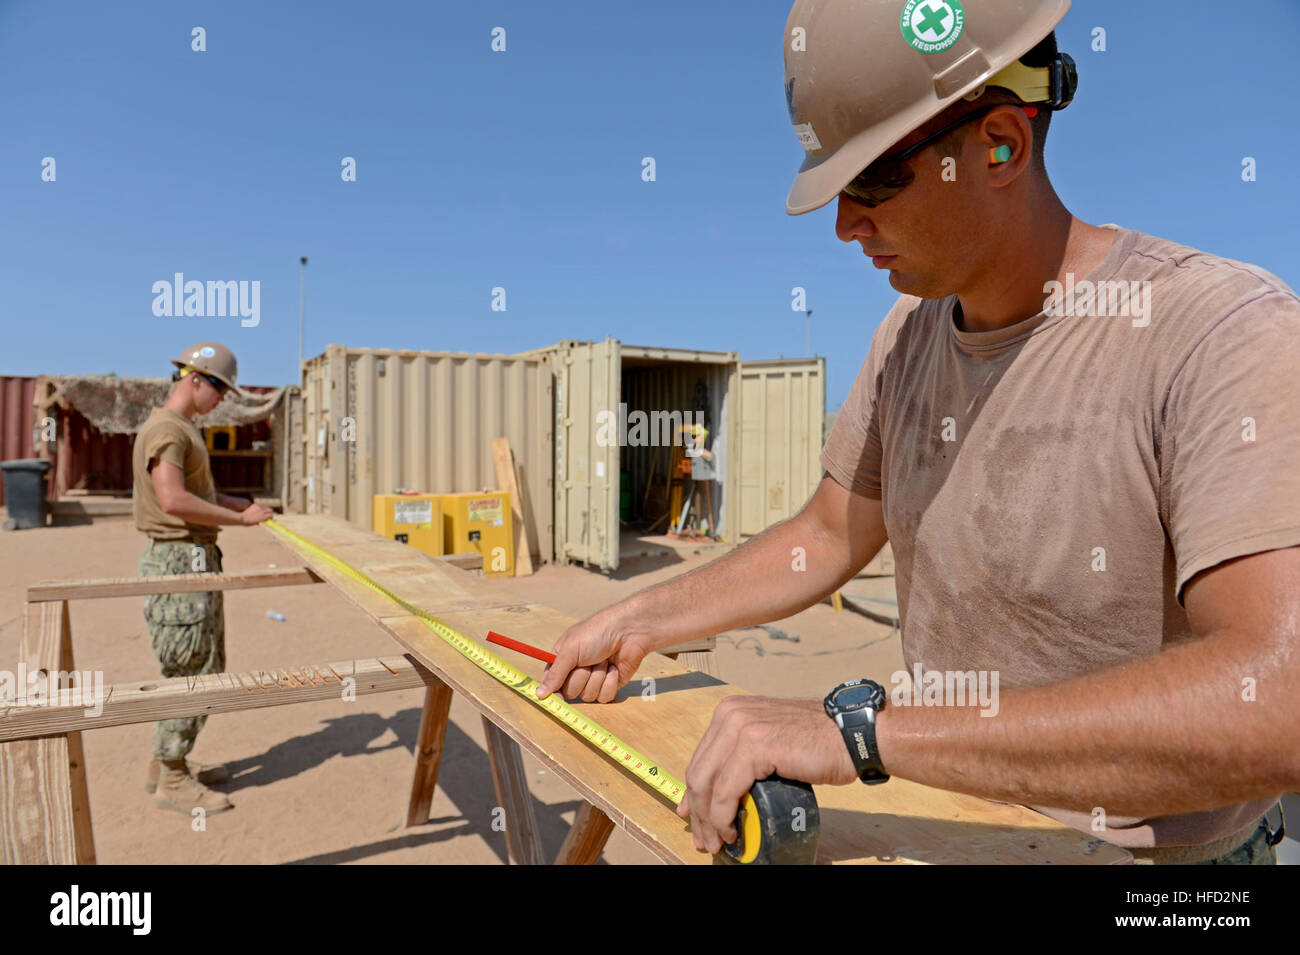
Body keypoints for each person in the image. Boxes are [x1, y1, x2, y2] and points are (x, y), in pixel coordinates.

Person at [536, 0, 1299, 864]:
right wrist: (643, 617)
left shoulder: (1217, 332)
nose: (844, 224)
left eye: (873, 182)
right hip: (947, 814)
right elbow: (829, 533)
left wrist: (864, 734)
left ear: (1002, 142)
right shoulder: (908, 336)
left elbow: (1278, 697)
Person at [131, 341, 274, 814]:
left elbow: (199, 492)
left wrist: (238, 503)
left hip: (193, 556)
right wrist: (241, 522)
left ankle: (168, 763)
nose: (222, 401)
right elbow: (172, 500)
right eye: (220, 391)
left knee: (201, 667)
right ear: (196, 380)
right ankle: (172, 777)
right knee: (191, 672)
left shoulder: (181, 430)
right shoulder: (169, 431)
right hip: (178, 559)